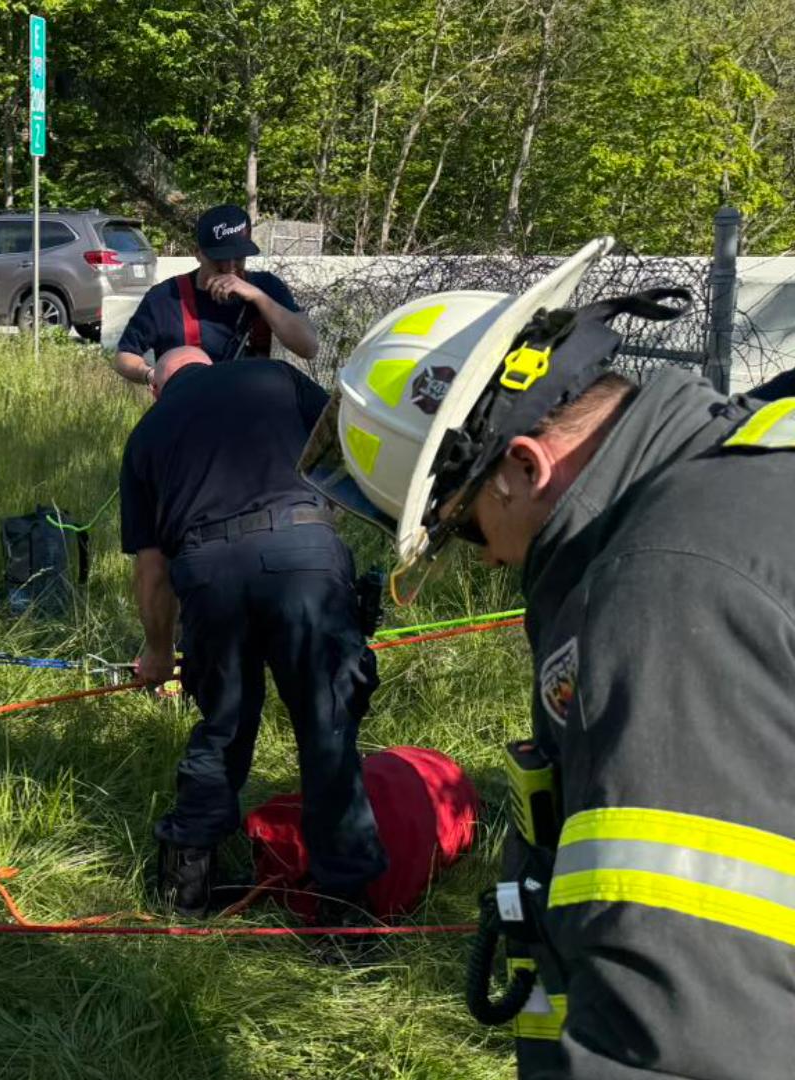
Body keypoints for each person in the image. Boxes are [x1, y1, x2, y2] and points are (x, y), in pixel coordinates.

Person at [304, 237, 795, 1077]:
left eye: (461, 530)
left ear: (523, 468)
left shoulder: (662, 594)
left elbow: (677, 1031)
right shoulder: (747, 465)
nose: (488, 560)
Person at [121, 345, 386, 917]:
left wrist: (159, 652)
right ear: (212, 367)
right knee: (327, 732)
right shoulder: (274, 377)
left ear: (156, 388)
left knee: (223, 727)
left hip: (209, 574)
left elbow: (152, 570)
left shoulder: (146, 433)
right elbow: (349, 446)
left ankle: (183, 895)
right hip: (304, 557)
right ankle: (344, 912)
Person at [113, 204, 317, 387]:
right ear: (198, 253)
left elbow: (308, 348)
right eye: (219, 259)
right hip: (187, 415)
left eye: (238, 258)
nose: (229, 267)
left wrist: (258, 297)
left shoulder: (266, 286)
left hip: (252, 412)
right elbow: (125, 355)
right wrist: (150, 374)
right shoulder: (165, 298)